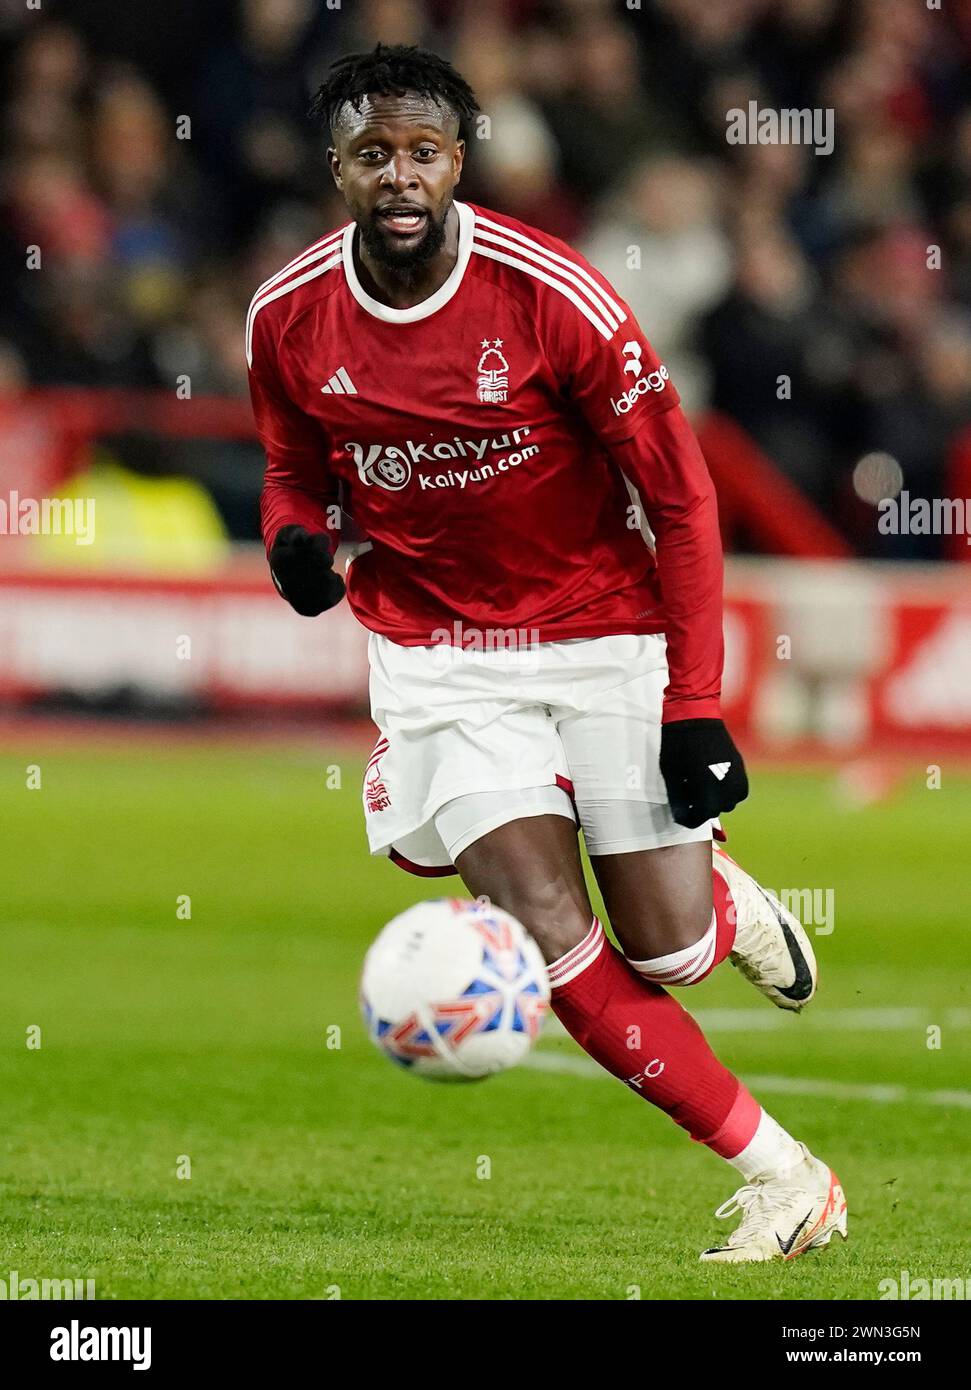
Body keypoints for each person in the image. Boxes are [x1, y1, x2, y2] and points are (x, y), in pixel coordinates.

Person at [247, 43, 846, 1262]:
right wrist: (294, 543)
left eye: (422, 151)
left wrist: (695, 706)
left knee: (667, 950)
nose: (399, 176)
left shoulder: (553, 296)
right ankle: (782, 1174)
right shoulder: (286, 316)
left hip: (599, 630)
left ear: (459, 162)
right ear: (339, 171)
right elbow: (288, 471)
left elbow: (681, 500)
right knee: (536, 921)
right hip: (437, 651)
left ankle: (715, 904)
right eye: (373, 155)